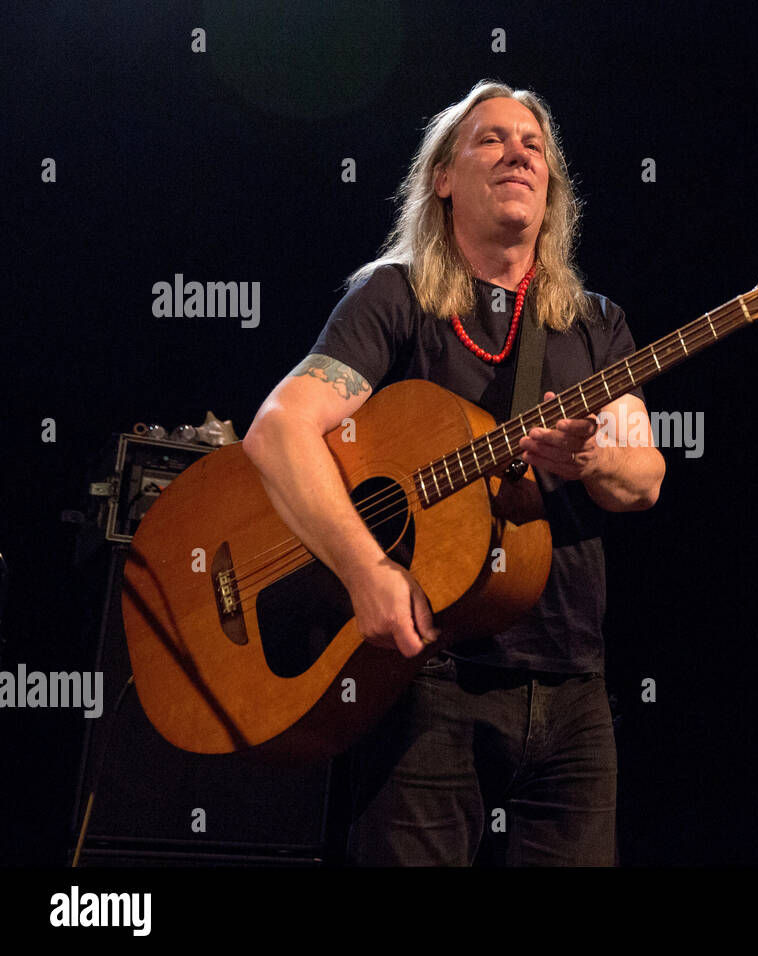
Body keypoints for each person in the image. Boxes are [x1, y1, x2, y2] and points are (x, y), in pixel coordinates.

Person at [242, 80, 665, 865]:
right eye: (492, 139)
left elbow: (644, 479)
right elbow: (278, 431)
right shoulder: (395, 297)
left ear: (553, 185)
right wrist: (366, 568)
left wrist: (593, 458)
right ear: (442, 176)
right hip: (427, 677)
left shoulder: (597, 323)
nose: (519, 154)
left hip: (575, 686)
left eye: (534, 145)